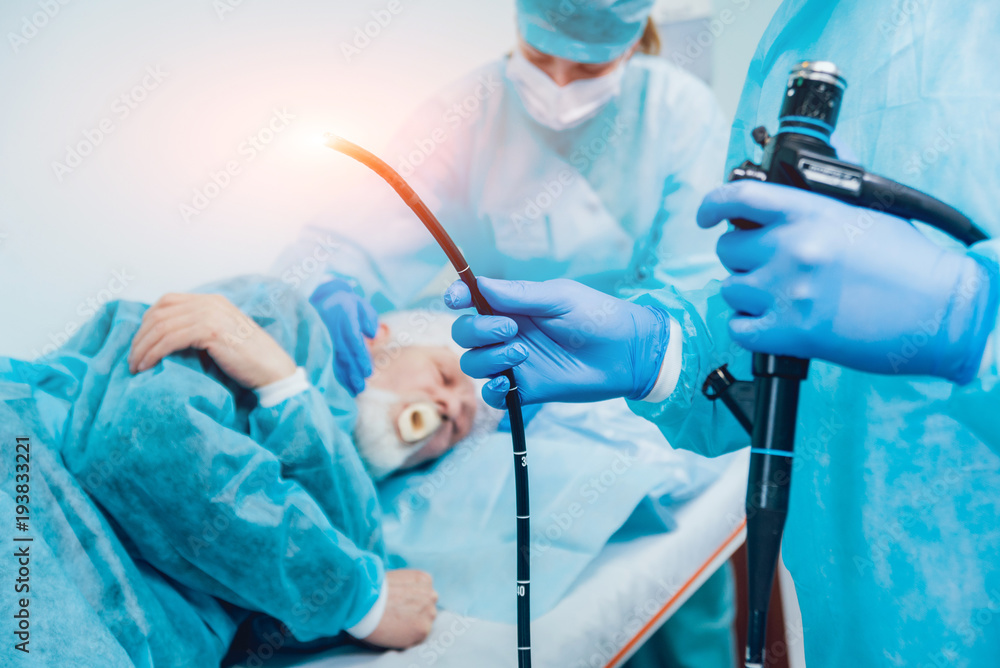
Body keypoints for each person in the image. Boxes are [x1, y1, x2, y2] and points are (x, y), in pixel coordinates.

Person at [444, 0, 1000, 665]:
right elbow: (775, 312)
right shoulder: (801, 32)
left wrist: (972, 321)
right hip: (851, 623)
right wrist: (662, 350)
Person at [282, 1, 737, 663]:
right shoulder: (465, 113)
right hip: (513, 386)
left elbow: (696, 285)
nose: (556, 80)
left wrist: (621, 344)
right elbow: (368, 220)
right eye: (539, 55)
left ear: (632, 39)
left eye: (585, 64)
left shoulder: (679, 113)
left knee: (688, 614)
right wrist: (334, 278)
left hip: (638, 385)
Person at [0, 276, 494, 666]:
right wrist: (284, 382)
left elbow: (276, 619)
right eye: (444, 375)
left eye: (457, 427)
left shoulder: (357, 508)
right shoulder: (281, 322)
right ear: (381, 337)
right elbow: (145, 440)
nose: (448, 408)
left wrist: (360, 597)